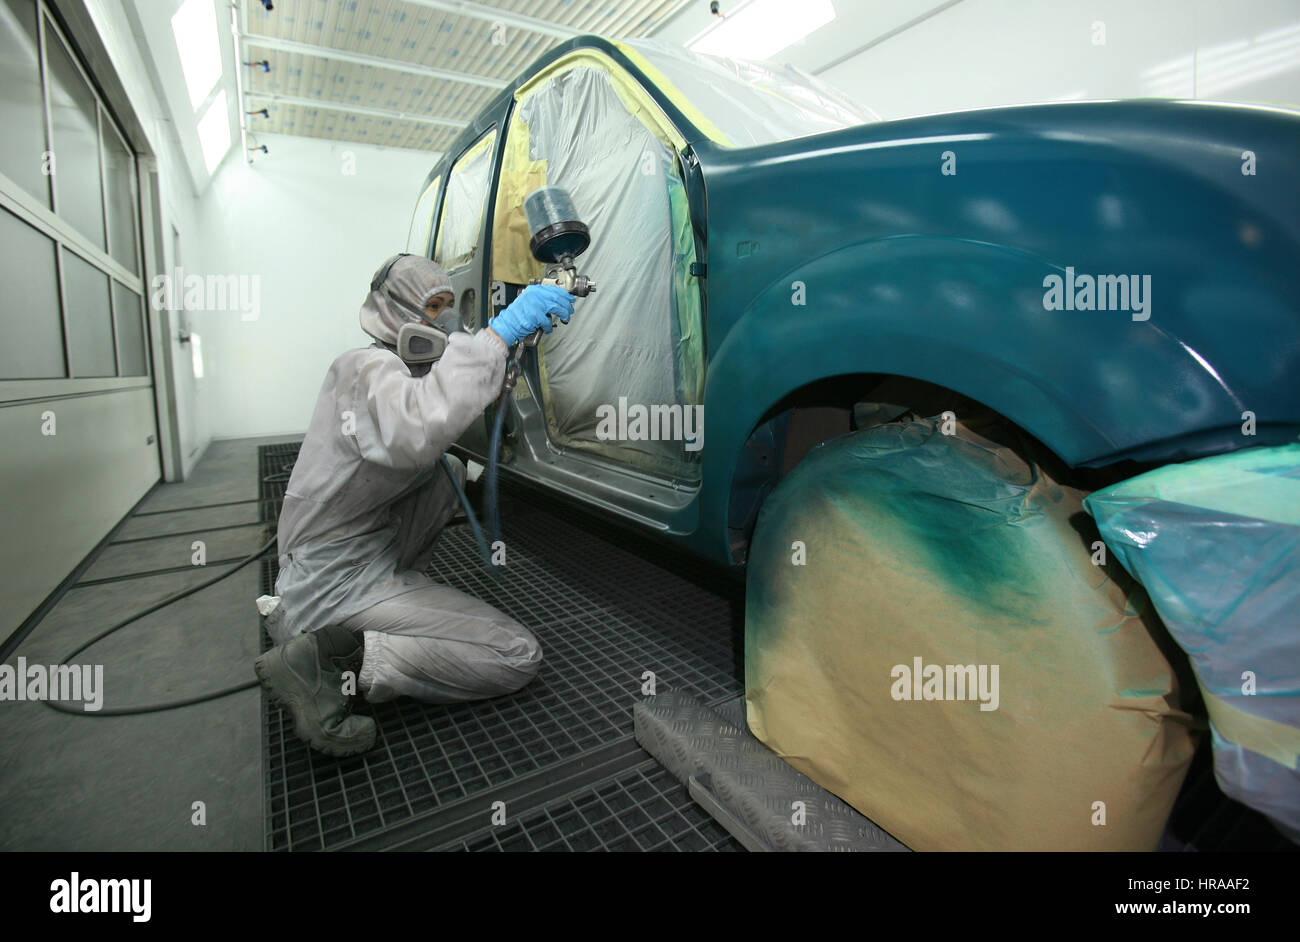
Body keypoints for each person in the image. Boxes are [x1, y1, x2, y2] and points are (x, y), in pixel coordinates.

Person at [254, 254, 574, 756]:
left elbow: (442, 421)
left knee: (446, 469)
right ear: (395, 311)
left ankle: (368, 614)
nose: (446, 318)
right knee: (516, 654)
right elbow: (419, 426)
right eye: (433, 305)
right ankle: (333, 658)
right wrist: (499, 333)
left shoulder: (400, 373)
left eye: (451, 304)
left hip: (345, 560)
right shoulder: (363, 368)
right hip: (331, 585)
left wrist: (500, 359)